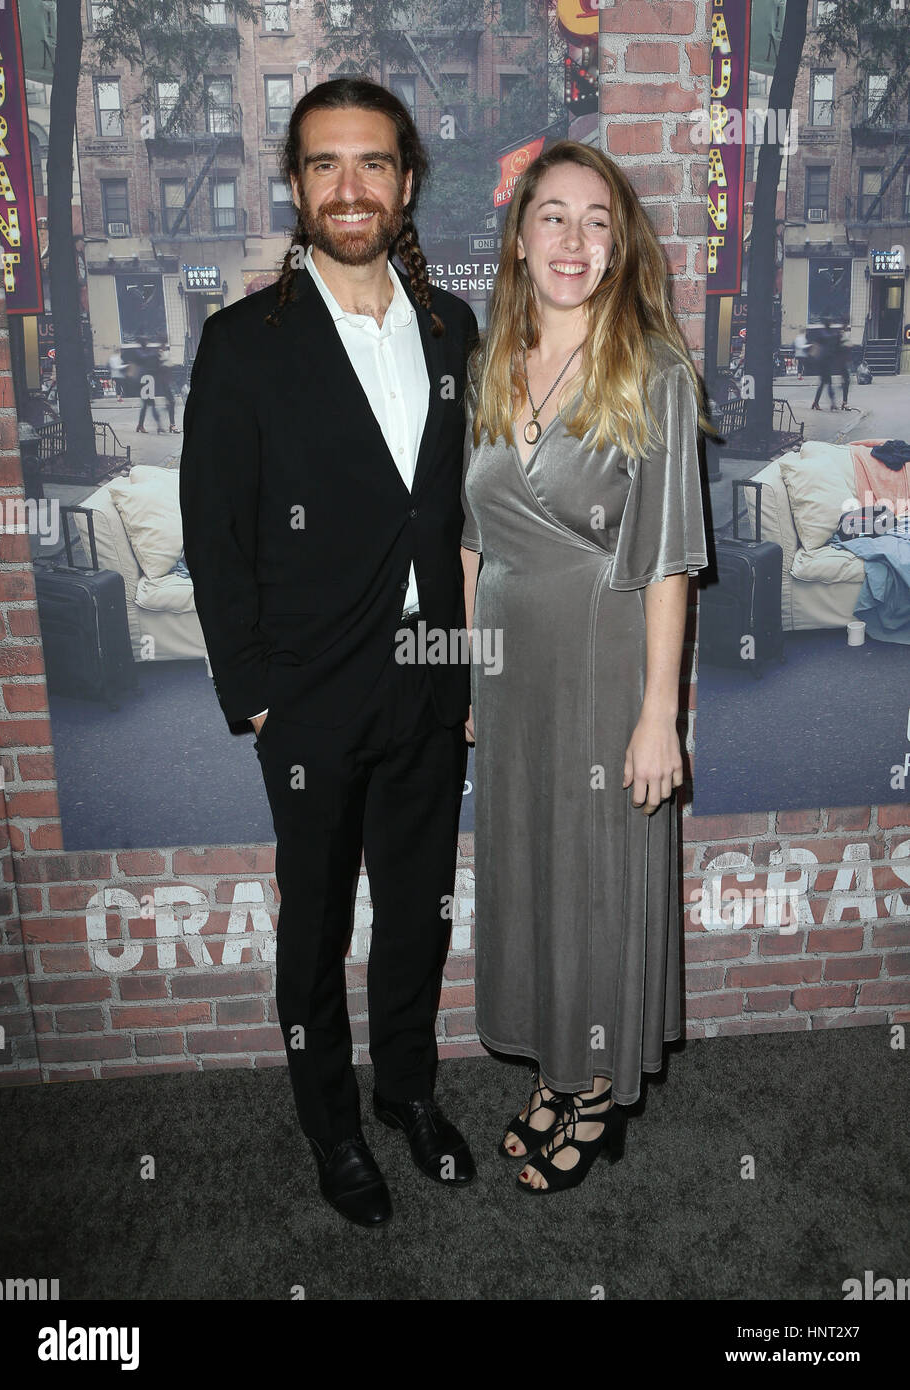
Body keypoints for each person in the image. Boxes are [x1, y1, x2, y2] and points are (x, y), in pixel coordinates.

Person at [180, 79, 478, 1228]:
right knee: (313, 924)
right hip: (307, 697)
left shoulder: (453, 328)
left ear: (405, 184)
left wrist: (461, 669)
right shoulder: (242, 342)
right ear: (296, 187)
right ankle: (332, 1125)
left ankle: (406, 1090)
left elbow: (455, 517)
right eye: (323, 165)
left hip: (428, 678)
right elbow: (216, 536)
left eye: (371, 164)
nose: (349, 188)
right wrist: (258, 701)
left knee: (416, 910)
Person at [460, 141, 713, 1194]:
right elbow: (471, 536)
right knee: (536, 870)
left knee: (599, 879)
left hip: (606, 665)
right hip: (512, 678)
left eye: (595, 219)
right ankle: (559, 1070)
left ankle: (595, 1091)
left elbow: (666, 566)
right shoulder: (488, 359)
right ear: (519, 240)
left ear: (619, 244)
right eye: (551, 217)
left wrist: (659, 716)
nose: (573, 239)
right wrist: (469, 669)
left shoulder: (649, 371)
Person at [135, 335, 166, 433]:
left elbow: (154, 361)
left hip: (149, 380)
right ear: (141, 342)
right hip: (143, 380)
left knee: (149, 404)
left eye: (147, 341)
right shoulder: (138, 351)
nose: (147, 342)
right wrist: (156, 352)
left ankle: (143, 425)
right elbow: (144, 357)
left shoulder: (148, 351)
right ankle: (154, 425)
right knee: (147, 404)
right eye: (145, 341)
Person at [810, 315, 838, 410]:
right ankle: (831, 403)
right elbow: (817, 346)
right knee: (827, 383)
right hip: (823, 362)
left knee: (824, 383)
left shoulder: (828, 332)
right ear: (826, 323)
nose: (831, 323)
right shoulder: (823, 333)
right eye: (829, 322)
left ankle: (817, 402)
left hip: (827, 361)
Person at [155, 342, 180, 432]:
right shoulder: (160, 356)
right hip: (165, 383)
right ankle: (171, 425)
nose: (165, 346)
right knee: (171, 402)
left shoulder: (165, 354)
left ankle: (170, 425)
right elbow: (162, 369)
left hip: (168, 382)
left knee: (171, 403)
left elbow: (170, 367)